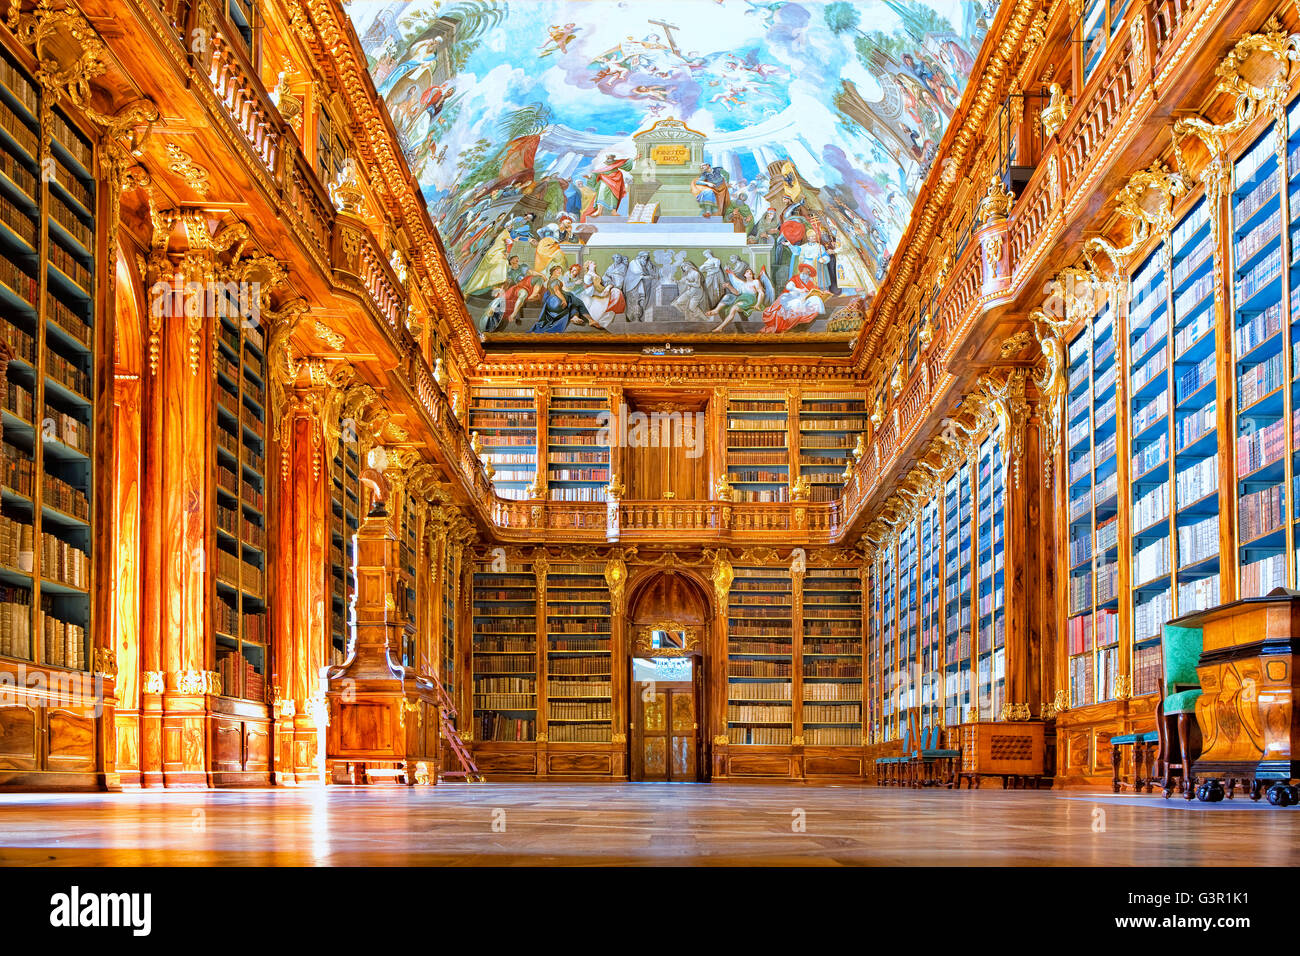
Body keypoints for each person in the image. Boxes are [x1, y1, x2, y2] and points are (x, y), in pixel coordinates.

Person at [761, 263, 827, 333]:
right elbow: (789, 287)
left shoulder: (809, 282)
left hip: (804, 299)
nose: (805, 274)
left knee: (816, 300)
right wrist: (800, 290)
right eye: (804, 272)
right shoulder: (795, 278)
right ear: (801, 272)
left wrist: (823, 292)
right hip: (791, 297)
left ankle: (810, 319)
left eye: (807, 273)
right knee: (797, 303)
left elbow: (816, 290)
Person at [707, 267, 767, 332]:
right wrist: (729, 286)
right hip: (741, 298)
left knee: (734, 308)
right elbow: (737, 293)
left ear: (752, 275)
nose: (749, 273)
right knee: (728, 296)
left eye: (751, 272)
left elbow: (761, 293)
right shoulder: (742, 284)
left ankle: (720, 327)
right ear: (744, 275)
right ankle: (716, 310)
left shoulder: (755, 282)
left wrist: (757, 304)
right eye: (747, 272)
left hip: (750, 300)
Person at [584, 153, 634, 218]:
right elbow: (596, 173)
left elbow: (626, 163)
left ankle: (614, 211)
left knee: (613, 197)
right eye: (607, 158)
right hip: (604, 182)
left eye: (609, 158)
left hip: (615, 183)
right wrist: (589, 177)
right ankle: (599, 211)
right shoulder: (603, 165)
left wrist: (634, 158)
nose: (608, 159)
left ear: (613, 158)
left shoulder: (616, 164)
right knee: (601, 195)